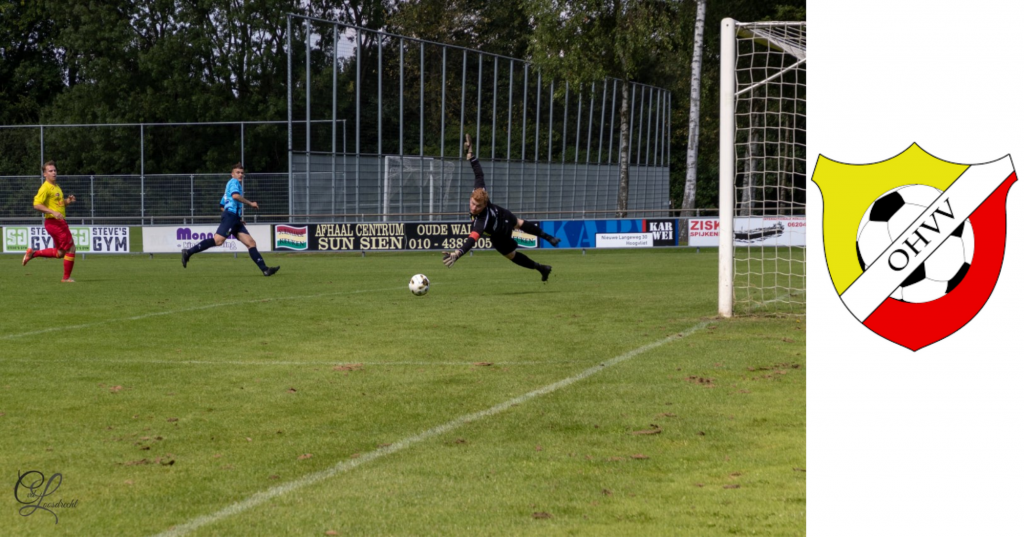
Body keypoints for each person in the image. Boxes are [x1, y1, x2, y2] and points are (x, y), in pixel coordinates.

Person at [443, 135, 560, 280]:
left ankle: (542, 265)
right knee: (519, 223)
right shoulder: (480, 191)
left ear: (485, 204)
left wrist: (458, 253)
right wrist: (470, 153)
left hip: (500, 232)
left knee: (512, 253)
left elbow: (472, 238)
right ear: (472, 196)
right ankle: (547, 249)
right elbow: (479, 173)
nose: (473, 208)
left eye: (477, 206)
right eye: (472, 203)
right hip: (502, 217)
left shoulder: (482, 219)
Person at [181, 163, 279, 276]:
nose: (240, 175)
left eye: (242, 173)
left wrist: (236, 218)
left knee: (251, 243)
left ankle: (265, 270)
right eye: (238, 172)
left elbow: (222, 205)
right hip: (231, 217)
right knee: (218, 241)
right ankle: (188, 252)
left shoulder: (230, 185)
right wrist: (250, 203)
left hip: (234, 218)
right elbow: (235, 196)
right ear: (232, 174)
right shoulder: (234, 183)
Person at [23, 161, 78, 282]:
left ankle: (33, 254)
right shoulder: (45, 188)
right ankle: (66, 278)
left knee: (60, 253)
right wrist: (52, 212)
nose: (54, 173)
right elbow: (37, 205)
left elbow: (58, 205)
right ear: (44, 174)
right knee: (71, 248)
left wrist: (67, 201)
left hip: (56, 222)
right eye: (50, 171)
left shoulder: (56, 187)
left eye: (54, 170)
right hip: (55, 222)